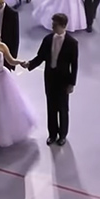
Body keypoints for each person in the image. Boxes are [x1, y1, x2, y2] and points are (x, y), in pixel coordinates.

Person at [25, 14, 79, 146]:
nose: (52, 26)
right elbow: (41, 56)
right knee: (51, 106)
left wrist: (72, 83)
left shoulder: (72, 43)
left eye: (55, 24)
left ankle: (63, 135)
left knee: (62, 108)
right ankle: (52, 134)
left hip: (63, 80)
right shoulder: (48, 39)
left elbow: (74, 64)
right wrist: (29, 64)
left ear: (63, 26)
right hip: (50, 77)